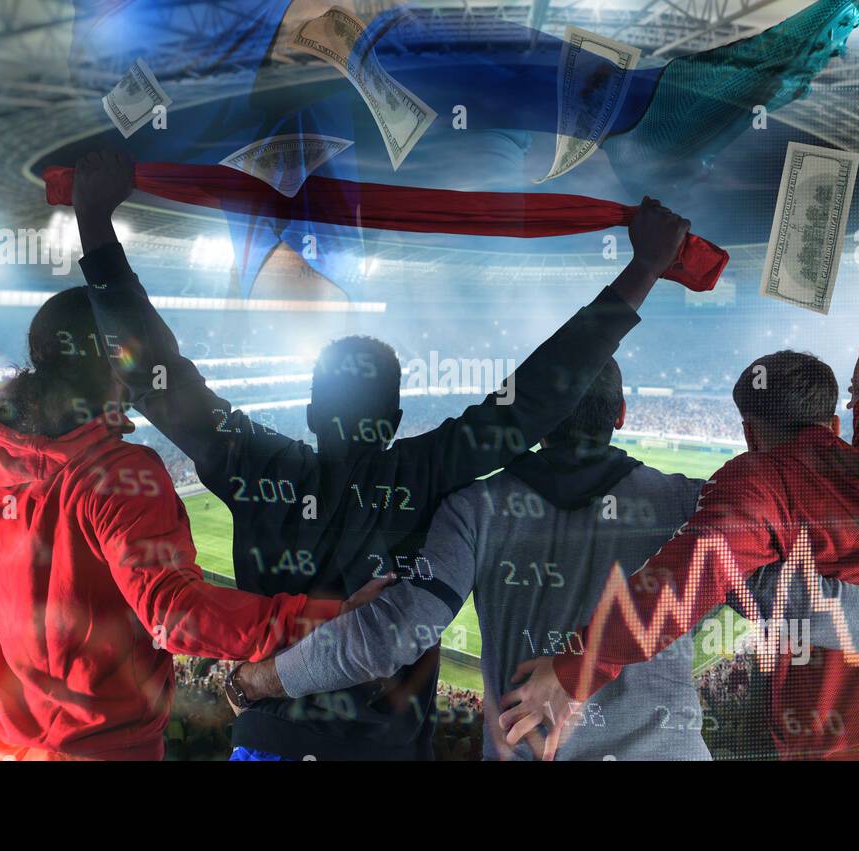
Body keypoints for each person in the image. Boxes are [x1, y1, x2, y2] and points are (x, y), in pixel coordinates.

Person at [71, 149, 691, 760]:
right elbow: (530, 402)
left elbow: (159, 376)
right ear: (394, 420)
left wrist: (95, 225)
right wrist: (642, 269)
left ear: (312, 413)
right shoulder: (425, 472)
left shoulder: (252, 462)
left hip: (271, 740)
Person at [230, 358, 859, 760]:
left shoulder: (474, 507)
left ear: (535, 427)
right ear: (623, 416)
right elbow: (801, 606)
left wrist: (263, 677)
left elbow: (391, 635)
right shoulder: (693, 503)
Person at [0, 197, 376, 761]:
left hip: (0, 749)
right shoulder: (118, 478)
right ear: (115, 369)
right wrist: (326, 616)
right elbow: (177, 615)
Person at [500, 339, 859, 761]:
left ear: (748, 431)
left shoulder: (756, 479)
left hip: (854, 739)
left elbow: (683, 580)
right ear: (832, 425)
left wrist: (574, 671)